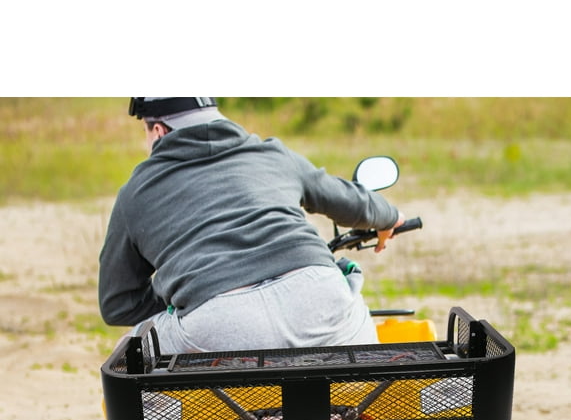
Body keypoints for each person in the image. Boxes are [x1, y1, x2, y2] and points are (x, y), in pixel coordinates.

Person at [99, 97, 405, 353]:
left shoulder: (136, 192)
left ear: (158, 130)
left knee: (129, 354)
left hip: (217, 323)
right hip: (319, 295)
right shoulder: (270, 154)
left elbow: (118, 303)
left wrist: (186, 295)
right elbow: (351, 201)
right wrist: (388, 216)